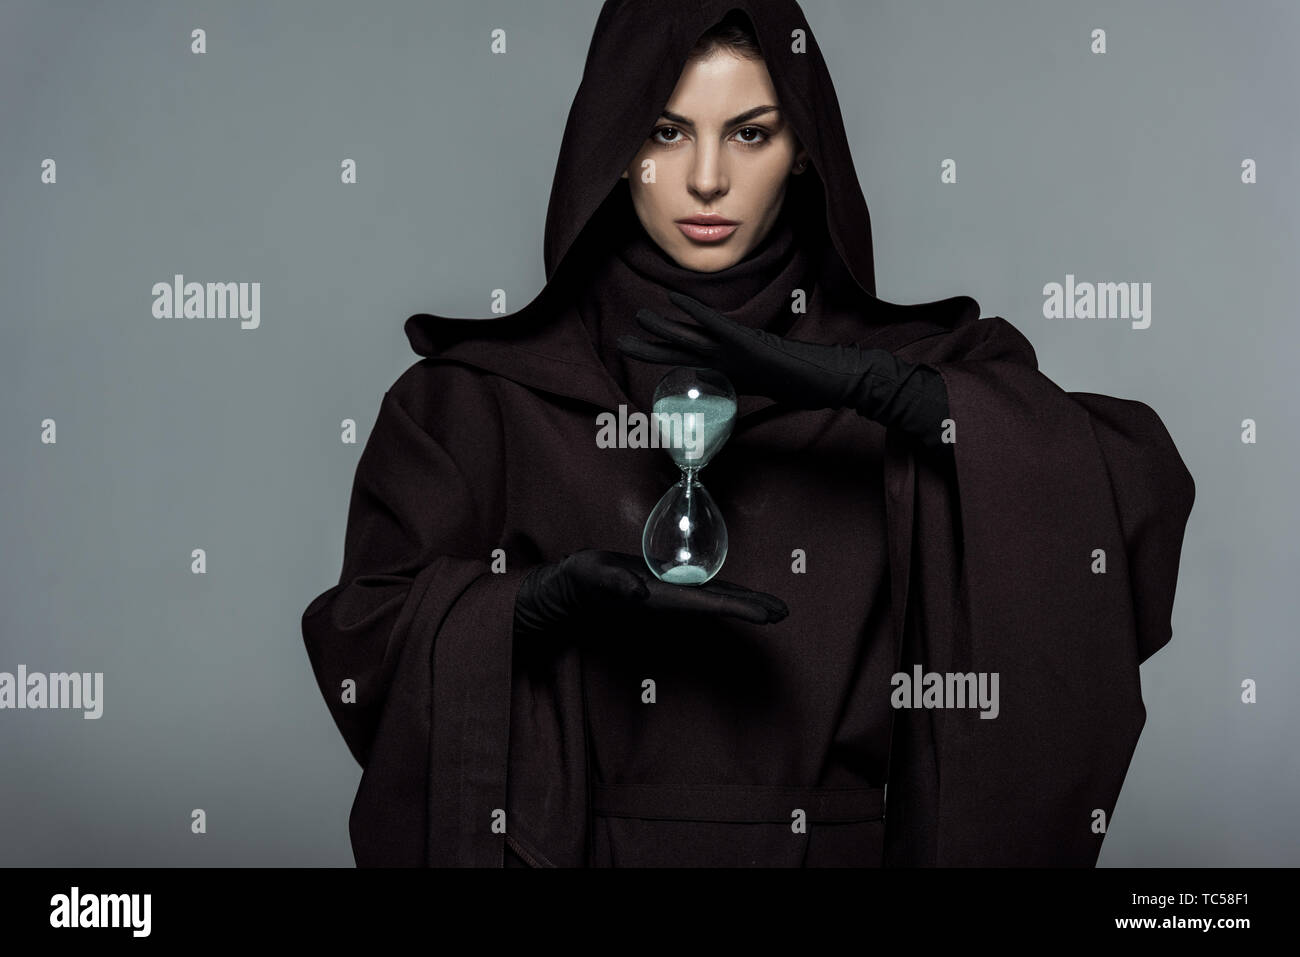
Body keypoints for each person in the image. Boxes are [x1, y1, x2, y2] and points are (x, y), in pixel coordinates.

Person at [302, 0, 1195, 868]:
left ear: (804, 148)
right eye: (664, 131)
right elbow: (361, 641)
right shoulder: (475, 399)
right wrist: (525, 607)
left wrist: (889, 391)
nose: (705, 180)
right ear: (613, 151)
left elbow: (1124, 505)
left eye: (751, 133)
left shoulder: (915, 372)